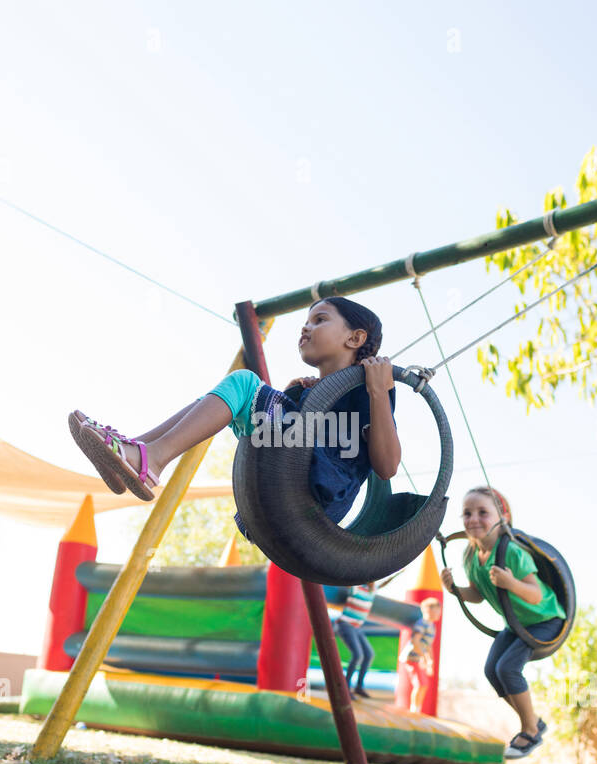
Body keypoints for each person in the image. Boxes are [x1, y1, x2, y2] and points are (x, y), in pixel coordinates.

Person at [67, 299, 400, 544]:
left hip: (319, 492)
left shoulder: (366, 388)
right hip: (283, 486)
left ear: (354, 338)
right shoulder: (307, 395)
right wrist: (290, 397)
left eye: (319, 320)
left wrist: (378, 393)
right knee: (226, 398)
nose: (306, 327)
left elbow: (386, 466)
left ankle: (149, 459)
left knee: (242, 384)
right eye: (306, 321)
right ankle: (135, 451)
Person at [440, 487, 565, 759]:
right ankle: (533, 720)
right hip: (516, 624)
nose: (473, 519)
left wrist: (511, 583)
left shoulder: (513, 553)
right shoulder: (471, 556)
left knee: (508, 668)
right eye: (467, 513)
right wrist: (456, 590)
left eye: (483, 512)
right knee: (492, 671)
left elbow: (535, 594)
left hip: (545, 619)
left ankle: (530, 731)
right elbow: (479, 594)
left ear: (502, 516)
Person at [333, 581, 377, 698]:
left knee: (369, 654)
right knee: (358, 655)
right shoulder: (357, 587)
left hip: (357, 627)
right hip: (345, 624)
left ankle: (359, 687)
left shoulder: (372, 591)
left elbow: (386, 580)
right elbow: (349, 582)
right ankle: (345, 688)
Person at [401, 597, 440, 713]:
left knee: (424, 684)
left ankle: (418, 708)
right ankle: (414, 709)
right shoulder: (422, 624)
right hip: (412, 657)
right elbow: (415, 641)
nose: (439, 614)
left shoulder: (432, 626)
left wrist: (430, 662)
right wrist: (423, 658)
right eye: (438, 611)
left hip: (419, 658)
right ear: (429, 610)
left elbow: (428, 646)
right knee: (420, 684)